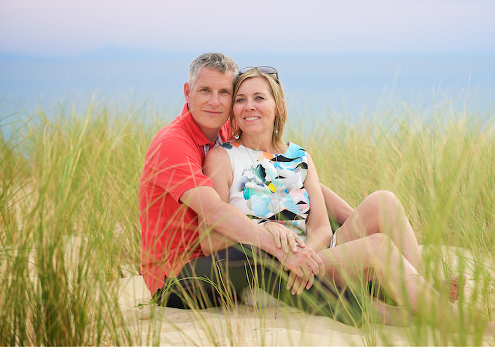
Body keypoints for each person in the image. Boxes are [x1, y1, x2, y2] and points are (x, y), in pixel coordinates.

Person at [201, 65, 495, 336]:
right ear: (234, 111)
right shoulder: (223, 157)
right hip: (272, 272)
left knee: (385, 201)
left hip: (314, 261)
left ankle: (422, 288)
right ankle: (459, 321)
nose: (249, 106)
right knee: (378, 246)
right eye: (241, 99)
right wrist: (273, 238)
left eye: (259, 97)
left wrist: (308, 256)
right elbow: (210, 237)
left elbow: (321, 227)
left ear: (279, 106)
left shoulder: (299, 156)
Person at [139, 52, 401, 324]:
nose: (215, 101)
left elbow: (289, 180)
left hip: (226, 262)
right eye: (205, 90)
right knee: (261, 251)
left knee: (302, 222)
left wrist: (352, 220)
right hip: (177, 278)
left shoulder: (223, 130)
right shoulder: (173, 143)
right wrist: (273, 238)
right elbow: (215, 212)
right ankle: (365, 312)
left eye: (224, 92)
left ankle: (394, 286)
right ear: (187, 92)